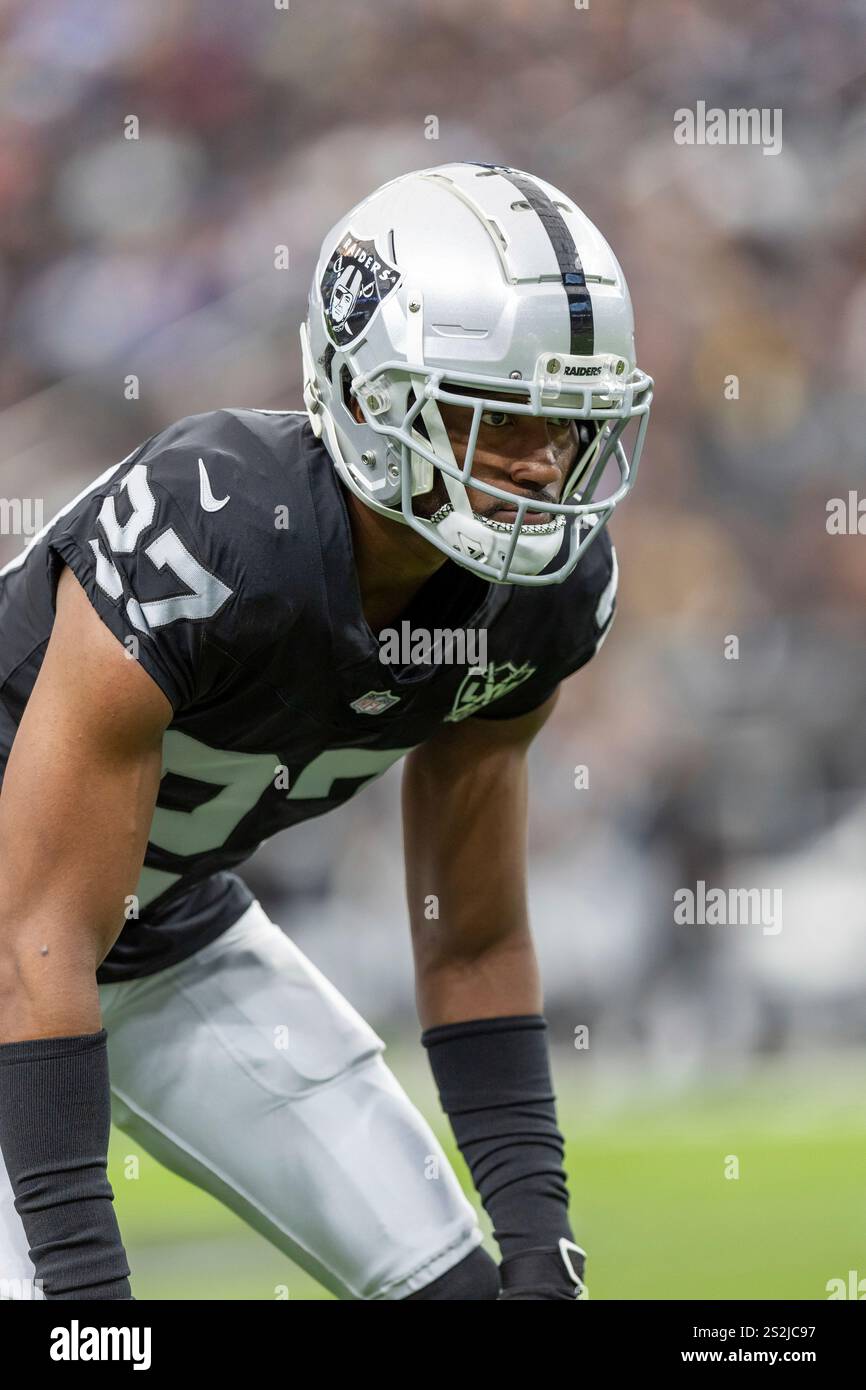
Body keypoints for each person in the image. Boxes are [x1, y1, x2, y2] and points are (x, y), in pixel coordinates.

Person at [0, 161, 652, 1301]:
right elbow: (31, 938)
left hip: (156, 929)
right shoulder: (213, 534)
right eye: (500, 414)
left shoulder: (540, 601)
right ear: (373, 391)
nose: (542, 465)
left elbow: (474, 941)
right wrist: (86, 1297)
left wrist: (539, 1238)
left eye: (567, 421)